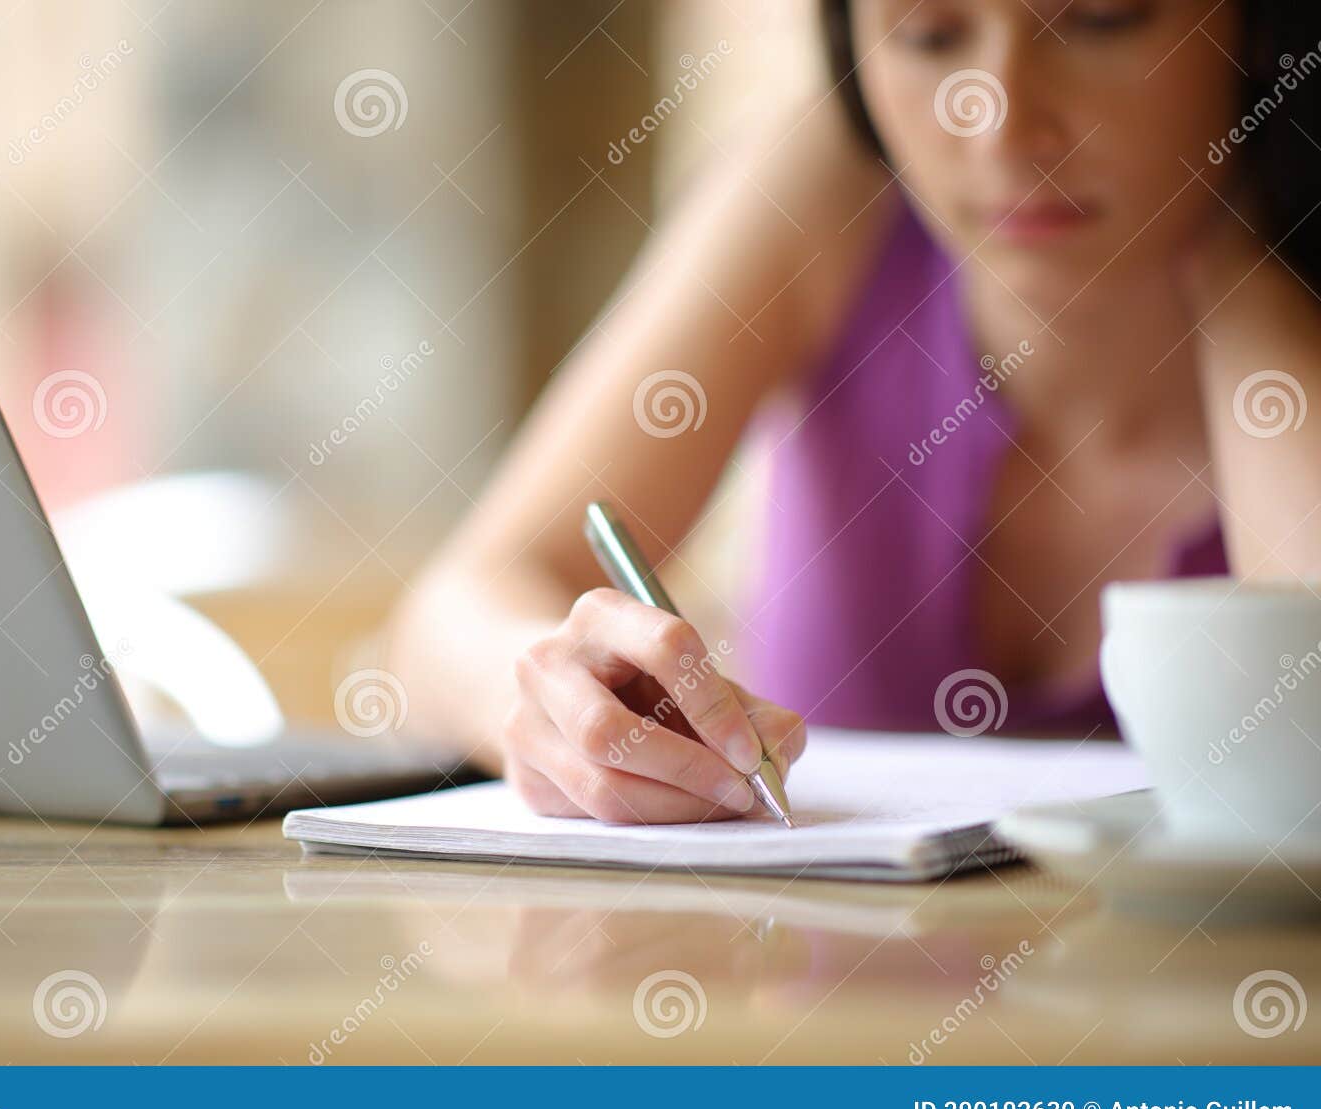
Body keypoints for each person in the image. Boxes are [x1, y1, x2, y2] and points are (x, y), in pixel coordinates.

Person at [385, 0, 1321, 823]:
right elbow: (455, 605)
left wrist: (1251, 273)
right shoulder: (829, 183)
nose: (999, 121)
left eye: (1102, 18)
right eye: (927, 33)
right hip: (823, 1016)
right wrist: (561, 698)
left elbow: (1305, 753)